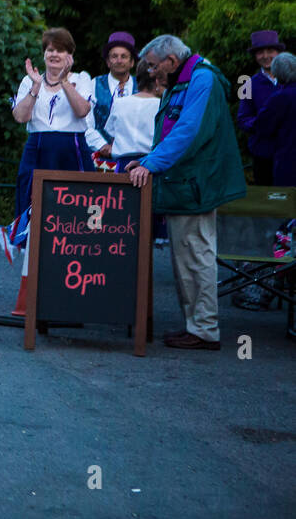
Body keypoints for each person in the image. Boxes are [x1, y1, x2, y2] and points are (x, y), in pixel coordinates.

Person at [128, 35, 247, 350]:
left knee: (196, 256)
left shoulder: (201, 79)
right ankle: (197, 327)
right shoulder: (188, 78)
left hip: (194, 185)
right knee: (188, 257)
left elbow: (187, 131)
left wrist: (151, 164)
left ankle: (204, 330)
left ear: (171, 60)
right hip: (185, 184)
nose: (151, 72)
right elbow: (173, 130)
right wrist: (149, 159)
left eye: (154, 66)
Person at [6, 28, 95, 315]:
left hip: (71, 148)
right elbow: (20, 117)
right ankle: (31, 292)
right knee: (34, 213)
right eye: (49, 49)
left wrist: (65, 81)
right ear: (44, 53)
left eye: (60, 49)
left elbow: (82, 111)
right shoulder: (29, 80)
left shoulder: (82, 79)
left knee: (74, 217)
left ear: (70, 55)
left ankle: (72, 288)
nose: (54, 54)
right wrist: (35, 86)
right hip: (39, 147)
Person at [237, 30, 286, 185]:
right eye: (260, 52)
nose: (266, 56)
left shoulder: (291, 81)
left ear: (278, 53)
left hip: (290, 152)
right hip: (263, 153)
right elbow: (243, 119)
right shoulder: (247, 84)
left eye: (270, 51)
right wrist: (262, 124)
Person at [86, 31, 138, 160]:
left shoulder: (142, 86)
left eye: (124, 56)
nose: (119, 60)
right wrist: (101, 144)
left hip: (136, 159)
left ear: (132, 62)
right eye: (114, 56)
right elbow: (85, 123)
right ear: (108, 62)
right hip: (100, 158)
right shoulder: (94, 84)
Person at [103, 58, 161, 170]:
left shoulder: (119, 103)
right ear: (157, 80)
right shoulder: (161, 105)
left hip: (123, 165)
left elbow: (112, 133)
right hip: (149, 164)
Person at [253, 52, 296, 187]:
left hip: (287, 159)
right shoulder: (249, 81)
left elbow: (262, 126)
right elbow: (244, 113)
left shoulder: (281, 97)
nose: (265, 56)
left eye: (270, 51)